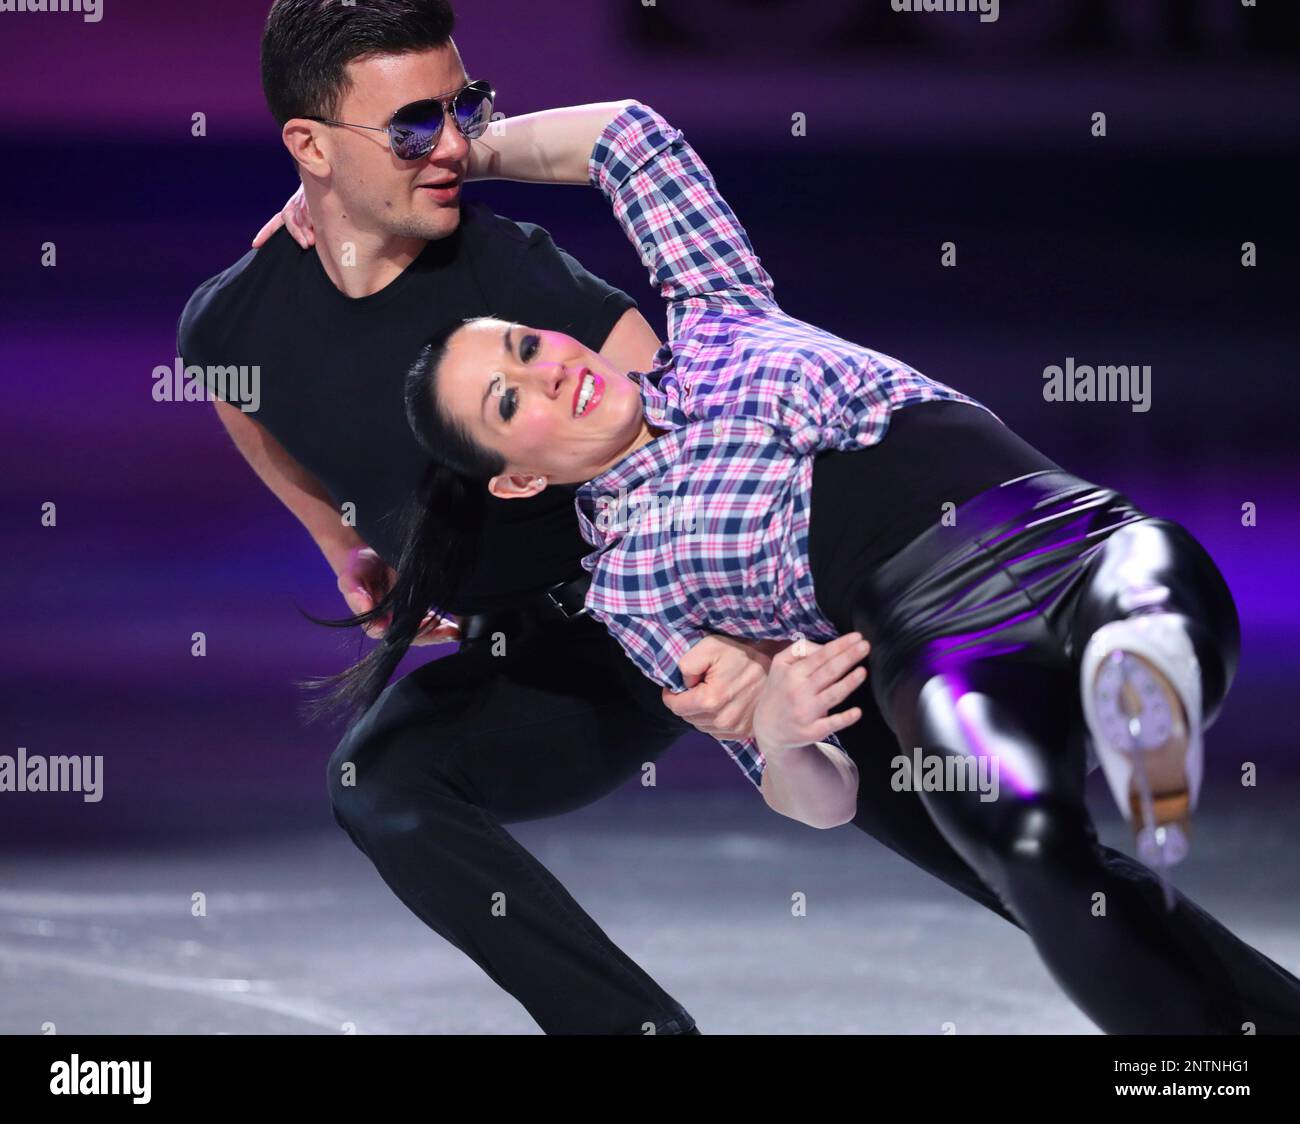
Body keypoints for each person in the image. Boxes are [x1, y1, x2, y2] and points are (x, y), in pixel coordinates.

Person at [318, 97, 1300, 1034]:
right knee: (1022, 845)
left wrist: (453, 153)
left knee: (1144, 598)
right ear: (517, 481)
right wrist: (785, 733)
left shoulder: (711, 313)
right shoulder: (632, 582)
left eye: (527, 345)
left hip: (1065, 538)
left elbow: (629, 139)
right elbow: (818, 801)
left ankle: (1138, 695)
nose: (548, 371)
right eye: (506, 402)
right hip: (942, 642)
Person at [177, 0, 799, 1035]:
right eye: (414, 125)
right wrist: (345, 541)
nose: (455, 144)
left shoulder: (508, 269)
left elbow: (700, 428)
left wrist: (748, 633)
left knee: (970, 825)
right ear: (308, 145)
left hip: (655, 627)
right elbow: (238, 392)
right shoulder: (233, 316)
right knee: (383, 784)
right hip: (530, 665)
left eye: (463, 108)